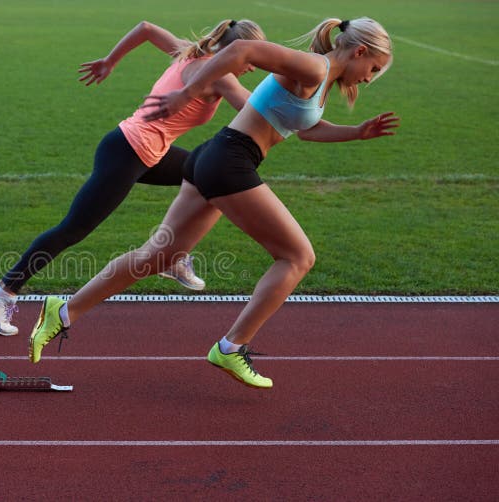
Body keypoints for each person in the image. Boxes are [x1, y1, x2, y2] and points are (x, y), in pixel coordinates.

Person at [28, 17, 400, 390]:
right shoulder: (314, 66)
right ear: (359, 51)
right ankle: (231, 347)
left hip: (215, 156)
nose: (369, 78)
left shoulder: (319, 79)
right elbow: (241, 50)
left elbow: (306, 130)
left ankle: (64, 310)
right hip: (230, 161)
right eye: (373, 69)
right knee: (298, 257)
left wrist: (357, 133)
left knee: (159, 255)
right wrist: (187, 93)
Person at [0, 19, 266, 336]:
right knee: (73, 228)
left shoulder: (189, 52)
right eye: (251, 59)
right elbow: (257, 109)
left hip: (147, 152)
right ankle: (4, 290)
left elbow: (146, 29)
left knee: (207, 177)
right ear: (237, 50)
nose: (252, 68)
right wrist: (298, 90)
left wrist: (109, 62)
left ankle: (173, 254)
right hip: (127, 153)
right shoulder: (219, 75)